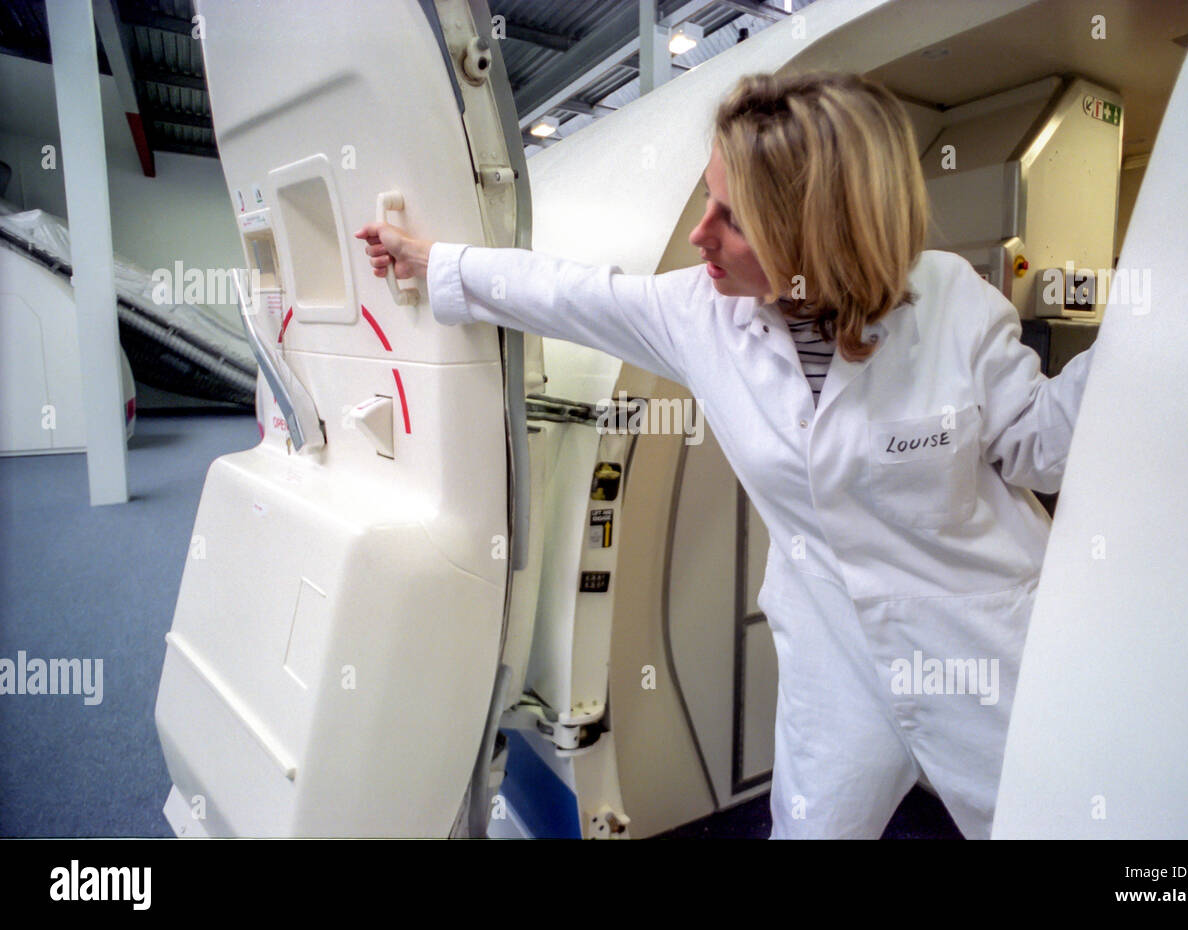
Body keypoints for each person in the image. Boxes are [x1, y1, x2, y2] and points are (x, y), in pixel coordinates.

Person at [354, 71, 1094, 839]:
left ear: (817, 232)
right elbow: (568, 292)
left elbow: (1037, 444)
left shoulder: (950, 302)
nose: (701, 235)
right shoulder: (703, 314)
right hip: (835, 652)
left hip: (978, 644)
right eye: (708, 200)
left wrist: (1142, 354)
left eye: (732, 218)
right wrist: (432, 259)